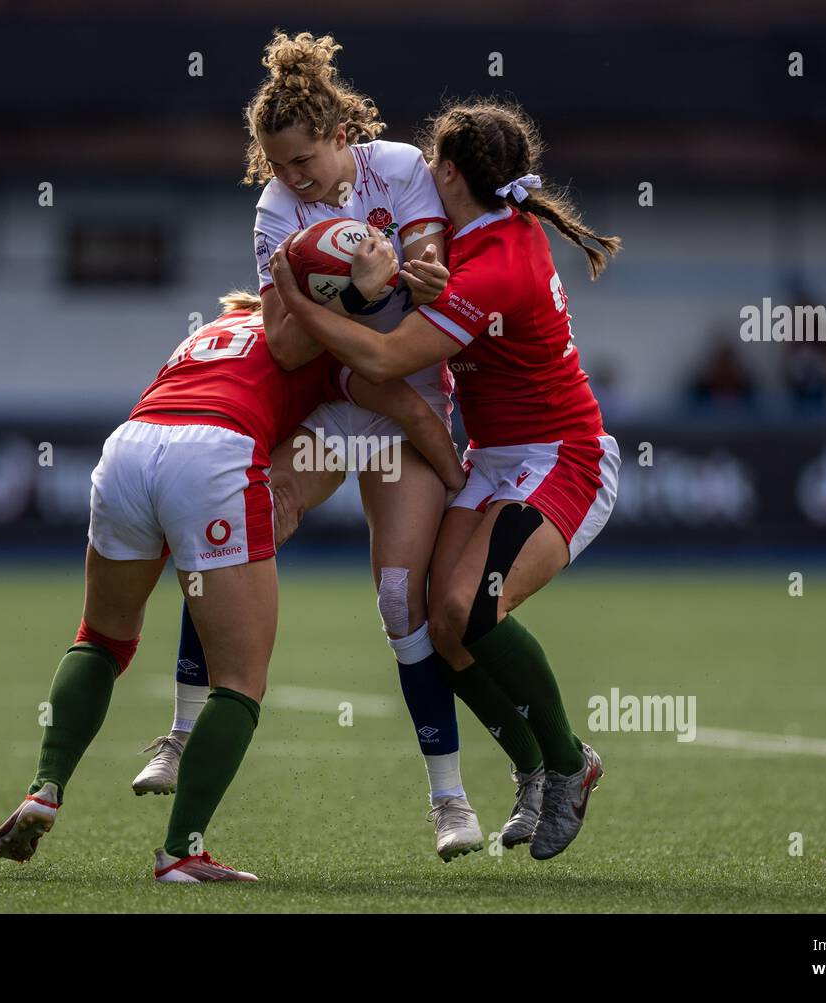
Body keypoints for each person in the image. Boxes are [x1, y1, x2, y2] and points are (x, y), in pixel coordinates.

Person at [134, 31, 536, 860]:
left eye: (306, 159)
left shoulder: (401, 168)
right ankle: (178, 728)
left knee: (400, 599)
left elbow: (428, 281)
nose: (294, 179)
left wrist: (396, 284)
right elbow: (285, 349)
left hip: (407, 398)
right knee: (242, 520)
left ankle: (450, 798)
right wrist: (355, 292)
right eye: (279, 165)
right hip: (339, 394)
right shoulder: (277, 211)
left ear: (340, 138)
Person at [0, 292, 464, 882]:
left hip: (131, 445)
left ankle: (46, 786)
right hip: (214, 452)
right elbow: (413, 413)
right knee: (241, 681)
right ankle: (180, 852)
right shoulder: (337, 338)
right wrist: (455, 482)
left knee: (102, 638)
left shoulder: (222, 324)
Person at [270, 98, 622, 859]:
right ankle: (531, 765)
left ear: (452, 171)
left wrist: (299, 299)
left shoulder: (495, 261)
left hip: (562, 454)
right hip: (495, 456)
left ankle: (569, 763)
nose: (422, 171)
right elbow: (423, 282)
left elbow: (388, 359)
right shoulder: (468, 239)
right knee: (439, 626)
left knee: (470, 607)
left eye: (434, 162)